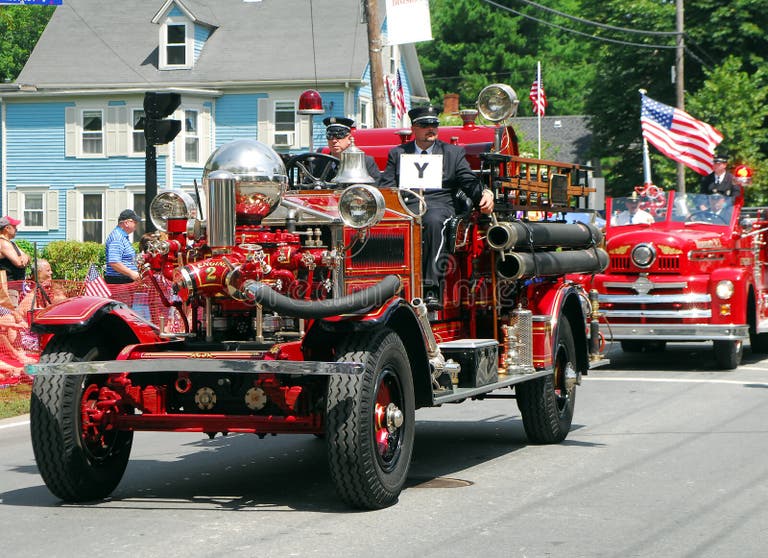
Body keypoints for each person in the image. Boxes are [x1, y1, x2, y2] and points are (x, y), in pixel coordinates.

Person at [379, 106, 494, 301]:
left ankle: (430, 287)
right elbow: (387, 187)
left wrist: (484, 193)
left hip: (439, 204)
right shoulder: (398, 153)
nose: (431, 129)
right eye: (425, 125)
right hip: (406, 205)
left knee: (432, 220)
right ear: (414, 128)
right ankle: (385, 284)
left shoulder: (453, 153)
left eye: (434, 124)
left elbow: (468, 181)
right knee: (389, 222)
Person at [313, 117, 380, 183]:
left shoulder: (365, 162)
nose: (334, 140)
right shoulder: (317, 164)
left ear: (349, 139)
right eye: (329, 136)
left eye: (339, 136)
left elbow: (375, 187)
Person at [105, 209, 140, 284]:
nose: (136, 224)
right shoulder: (117, 238)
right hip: (120, 281)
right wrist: (132, 273)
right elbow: (114, 262)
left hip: (123, 280)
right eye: (135, 222)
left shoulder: (121, 236)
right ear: (126, 223)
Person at [0, 215, 30, 282]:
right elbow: (19, 263)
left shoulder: (12, 243)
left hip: (17, 284)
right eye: (14, 227)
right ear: (7, 228)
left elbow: (28, 257)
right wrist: (23, 259)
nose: (16, 229)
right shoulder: (3, 243)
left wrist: (26, 258)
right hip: (8, 286)